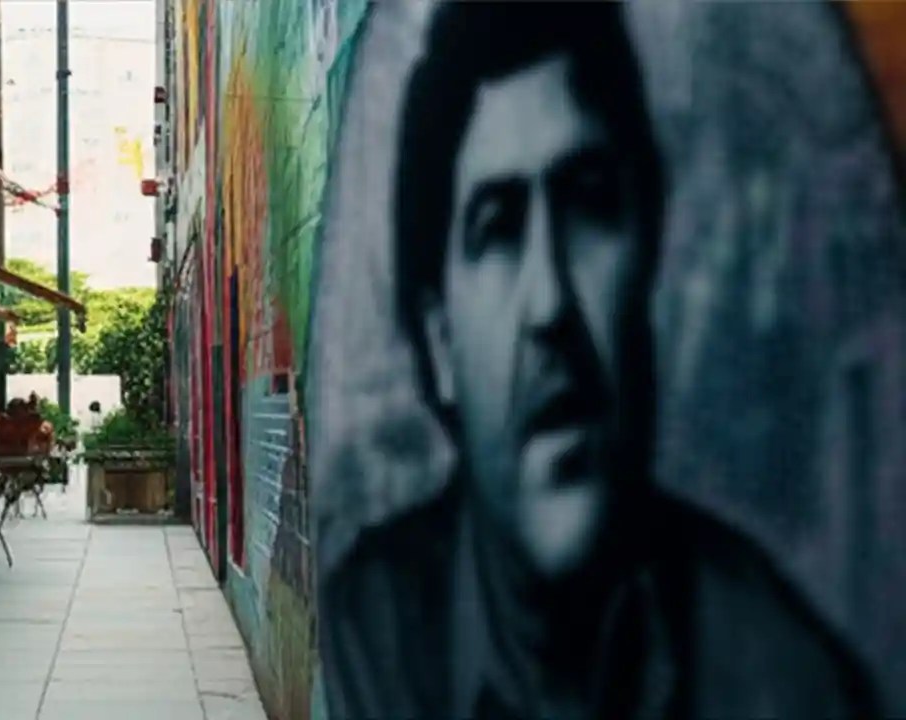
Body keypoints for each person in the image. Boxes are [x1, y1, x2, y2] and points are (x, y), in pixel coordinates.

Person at [318, 5, 879, 719]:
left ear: (651, 260)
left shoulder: (788, 684)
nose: (550, 303)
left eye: (588, 203)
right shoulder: (373, 634)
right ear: (439, 341)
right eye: (498, 226)